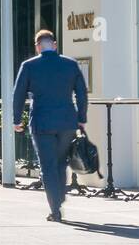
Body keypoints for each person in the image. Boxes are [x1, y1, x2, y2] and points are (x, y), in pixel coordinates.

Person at [12, 29, 89, 223]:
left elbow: (18, 94)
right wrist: (81, 118)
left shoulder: (29, 66)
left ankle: (55, 208)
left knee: (47, 165)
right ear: (54, 45)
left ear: (37, 47)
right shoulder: (70, 65)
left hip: (42, 122)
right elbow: (81, 93)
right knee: (61, 162)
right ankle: (59, 196)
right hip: (67, 122)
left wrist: (16, 120)